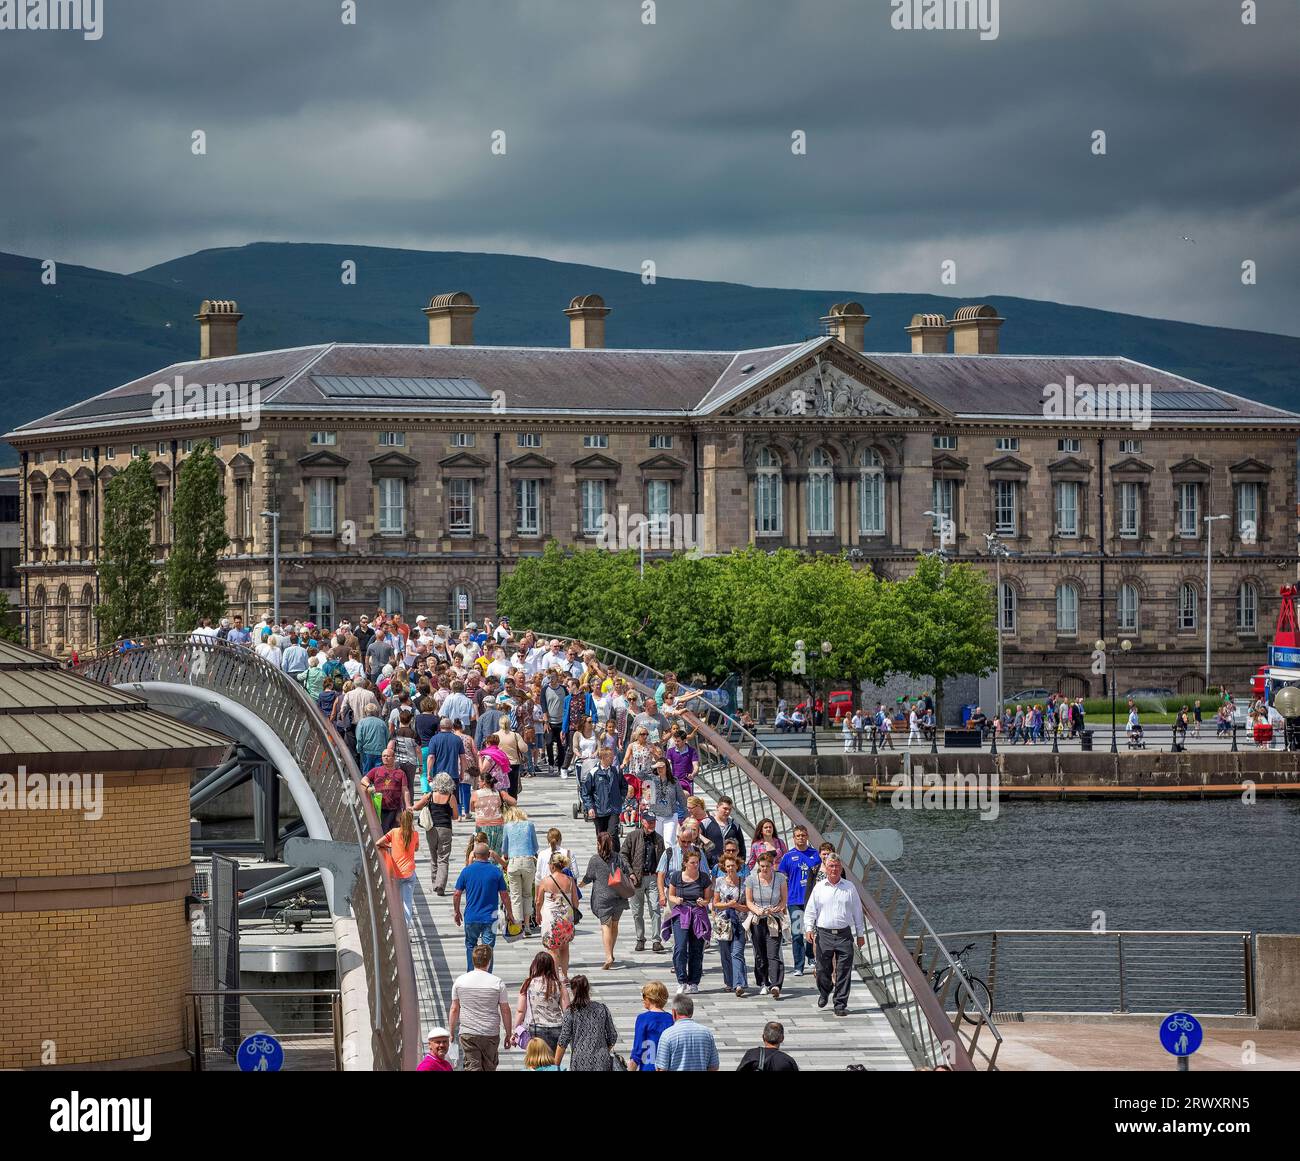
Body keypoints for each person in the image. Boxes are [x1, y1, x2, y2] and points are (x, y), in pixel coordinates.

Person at [804, 854, 866, 1016]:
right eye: (831, 866)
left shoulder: (849, 887)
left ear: (841, 868)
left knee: (844, 970)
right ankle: (824, 991)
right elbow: (811, 910)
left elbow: (857, 912)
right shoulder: (819, 887)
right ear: (826, 867)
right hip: (824, 934)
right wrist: (808, 928)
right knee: (823, 968)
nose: (834, 869)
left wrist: (860, 934)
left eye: (837, 866)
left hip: (844, 934)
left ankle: (840, 1004)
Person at [448, 943, 512, 1072]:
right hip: (490, 1032)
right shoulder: (497, 982)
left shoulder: (460, 981)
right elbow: (505, 1010)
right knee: (489, 1066)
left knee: (472, 1067)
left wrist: (451, 1032)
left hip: (468, 1032)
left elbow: (454, 1009)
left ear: (473, 960)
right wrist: (508, 1033)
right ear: (489, 961)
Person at [452, 842, 515, 971]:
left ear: (474, 855)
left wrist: (457, 912)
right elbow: (504, 895)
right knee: (488, 949)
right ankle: (487, 975)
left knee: (470, 945)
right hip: (490, 918)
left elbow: (457, 894)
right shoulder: (496, 872)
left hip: (471, 916)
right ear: (488, 855)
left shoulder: (467, 871)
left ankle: (471, 973)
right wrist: (510, 913)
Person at [664, 848, 713, 995]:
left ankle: (694, 981)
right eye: (692, 863)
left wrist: (703, 902)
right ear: (685, 863)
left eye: (697, 862)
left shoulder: (704, 878)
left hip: (698, 914)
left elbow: (707, 899)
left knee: (696, 949)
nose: (695, 865)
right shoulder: (676, 877)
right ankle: (682, 980)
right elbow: (670, 895)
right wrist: (676, 900)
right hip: (682, 913)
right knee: (680, 948)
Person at [581, 829, 631, 970]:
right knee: (614, 925)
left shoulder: (595, 859)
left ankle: (608, 955)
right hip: (619, 895)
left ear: (598, 844)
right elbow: (626, 871)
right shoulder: (618, 857)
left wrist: (580, 885)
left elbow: (589, 877)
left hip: (602, 897)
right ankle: (611, 953)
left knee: (605, 926)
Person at [777, 824, 821, 976]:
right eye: (798, 836)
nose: (801, 838)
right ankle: (798, 966)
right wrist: (782, 901)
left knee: (811, 932)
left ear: (807, 836)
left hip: (812, 901)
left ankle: (811, 955)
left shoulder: (815, 855)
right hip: (795, 900)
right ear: (794, 838)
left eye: (803, 835)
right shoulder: (788, 857)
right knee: (797, 932)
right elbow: (782, 880)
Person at [620, 811, 666, 953]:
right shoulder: (633, 836)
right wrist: (631, 872)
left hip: (653, 878)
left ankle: (656, 940)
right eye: (649, 821)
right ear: (643, 822)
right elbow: (623, 854)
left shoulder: (658, 839)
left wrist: (662, 878)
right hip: (636, 879)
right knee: (637, 911)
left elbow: (662, 859)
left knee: (655, 909)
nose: (652, 824)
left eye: (654, 822)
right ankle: (640, 938)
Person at [746, 849, 788, 999]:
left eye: (767, 866)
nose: (765, 869)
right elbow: (749, 901)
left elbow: (784, 899)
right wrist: (758, 910)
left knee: (773, 952)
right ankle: (763, 982)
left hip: (774, 919)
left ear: (772, 865)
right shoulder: (751, 879)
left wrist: (778, 908)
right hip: (757, 919)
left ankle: (776, 984)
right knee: (760, 953)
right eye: (762, 866)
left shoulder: (780, 878)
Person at [554, 974, 618, 1071]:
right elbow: (612, 1036)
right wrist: (604, 1049)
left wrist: (556, 1065)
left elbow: (563, 1041)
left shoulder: (570, 1012)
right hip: (601, 1060)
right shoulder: (602, 1009)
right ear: (588, 989)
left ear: (572, 991)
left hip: (579, 1059)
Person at [514, 950, 568, 1055]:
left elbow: (520, 1010)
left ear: (535, 965)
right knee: (552, 1063)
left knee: (536, 1061)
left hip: (536, 1027)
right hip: (557, 1027)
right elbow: (567, 1010)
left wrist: (515, 1030)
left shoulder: (528, 983)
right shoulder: (559, 985)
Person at [535, 852, 580, 979]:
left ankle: (554, 976)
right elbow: (576, 902)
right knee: (565, 947)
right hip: (566, 918)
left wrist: (538, 914)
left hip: (551, 919)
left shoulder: (546, 881)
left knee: (552, 948)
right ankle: (564, 975)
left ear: (553, 866)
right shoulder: (570, 880)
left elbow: (539, 901)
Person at [413, 771, 458, 896]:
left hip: (431, 829)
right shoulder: (451, 797)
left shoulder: (430, 795)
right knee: (443, 859)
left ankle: (434, 883)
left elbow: (416, 807)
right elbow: (455, 816)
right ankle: (440, 885)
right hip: (445, 829)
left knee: (433, 857)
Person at [712, 853, 749, 996]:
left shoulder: (744, 882)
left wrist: (737, 906)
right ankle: (729, 982)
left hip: (740, 922)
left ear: (737, 866)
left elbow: (748, 905)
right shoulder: (720, 882)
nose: (730, 868)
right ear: (723, 867)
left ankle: (739, 984)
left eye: (733, 865)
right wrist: (728, 904)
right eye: (727, 866)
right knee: (725, 954)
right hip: (723, 923)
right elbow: (715, 903)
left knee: (737, 953)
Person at [376, 808, 419, 927]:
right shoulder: (414, 834)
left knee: (395, 902)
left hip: (395, 873)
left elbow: (378, 843)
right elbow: (416, 848)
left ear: (400, 820)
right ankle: (406, 930)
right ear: (411, 822)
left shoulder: (394, 832)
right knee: (407, 902)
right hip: (409, 872)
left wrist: (390, 844)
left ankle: (394, 926)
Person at [654, 993, 719, 1072]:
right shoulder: (706, 1033)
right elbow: (714, 1066)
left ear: (674, 1012)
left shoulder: (667, 1035)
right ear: (691, 1012)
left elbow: (661, 1068)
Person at [502, 804, 540, 934]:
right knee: (527, 894)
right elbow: (535, 847)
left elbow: (504, 849)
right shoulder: (529, 825)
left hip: (513, 862)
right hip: (528, 861)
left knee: (515, 895)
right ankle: (528, 925)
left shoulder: (507, 827)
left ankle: (518, 925)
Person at [361, 744, 411, 833]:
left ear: (393, 757)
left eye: (388, 756)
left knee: (391, 831)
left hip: (394, 808)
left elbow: (405, 790)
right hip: (379, 807)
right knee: (383, 830)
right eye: (384, 756)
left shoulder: (400, 773)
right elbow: (364, 779)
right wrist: (369, 786)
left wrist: (407, 806)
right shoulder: (376, 770)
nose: (386, 758)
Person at [579, 745, 626, 839]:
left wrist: (621, 798)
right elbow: (586, 792)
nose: (613, 758)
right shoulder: (593, 772)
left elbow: (624, 786)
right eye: (610, 757)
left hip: (614, 809)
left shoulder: (616, 771)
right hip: (599, 810)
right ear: (603, 758)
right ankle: (603, 853)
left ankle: (615, 853)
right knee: (601, 836)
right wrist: (590, 807)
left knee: (612, 834)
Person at [470, 769, 515, 862]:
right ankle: (496, 869)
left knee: (482, 852)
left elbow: (471, 809)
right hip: (498, 827)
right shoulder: (499, 793)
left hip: (482, 827)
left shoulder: (475, 794)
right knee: (496, 852)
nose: (478, 783)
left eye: (479, 781)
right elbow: (514, 802)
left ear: (484, 783)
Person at [628, 980, 674, 1071]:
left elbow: (637, 1050)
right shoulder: (672, 1019)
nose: (643, 999)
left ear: (649, 998)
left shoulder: (643, 1019)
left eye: (643, 996)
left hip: (648, 1066)